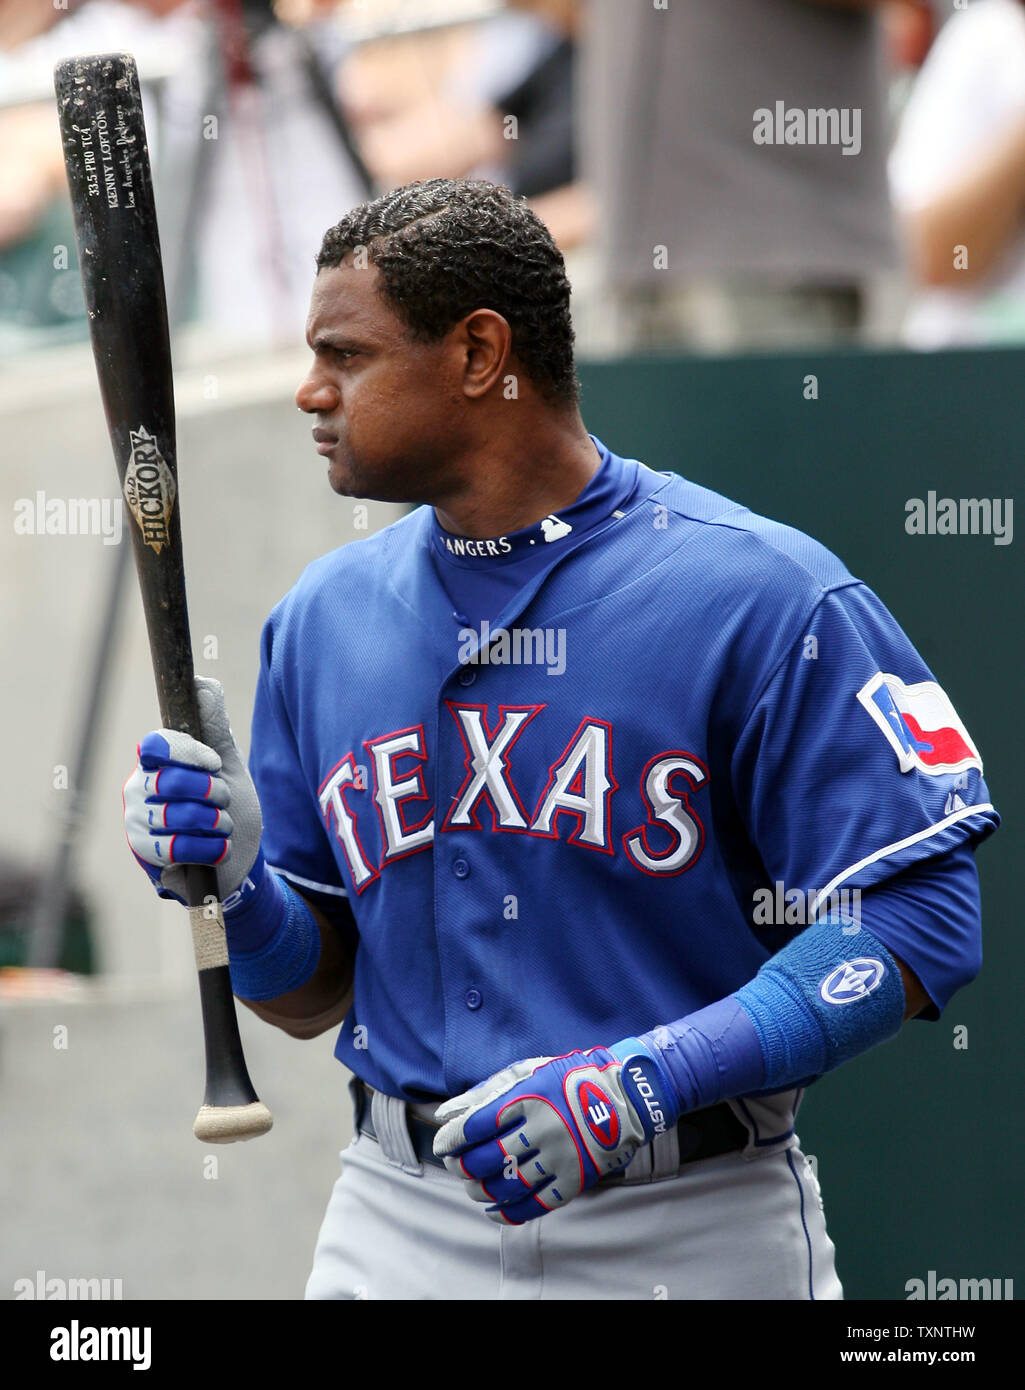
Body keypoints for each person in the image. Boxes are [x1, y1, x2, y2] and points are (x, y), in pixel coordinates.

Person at [122, 178, 997, 1300]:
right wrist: (237, 892)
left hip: (686, 1219)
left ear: (481, 353)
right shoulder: (321, 618)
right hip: (398, 1213)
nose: (310, 390)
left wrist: (647, 1076)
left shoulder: (766, 594)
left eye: (346, 354)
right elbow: (309, 996)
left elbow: (921, 921)